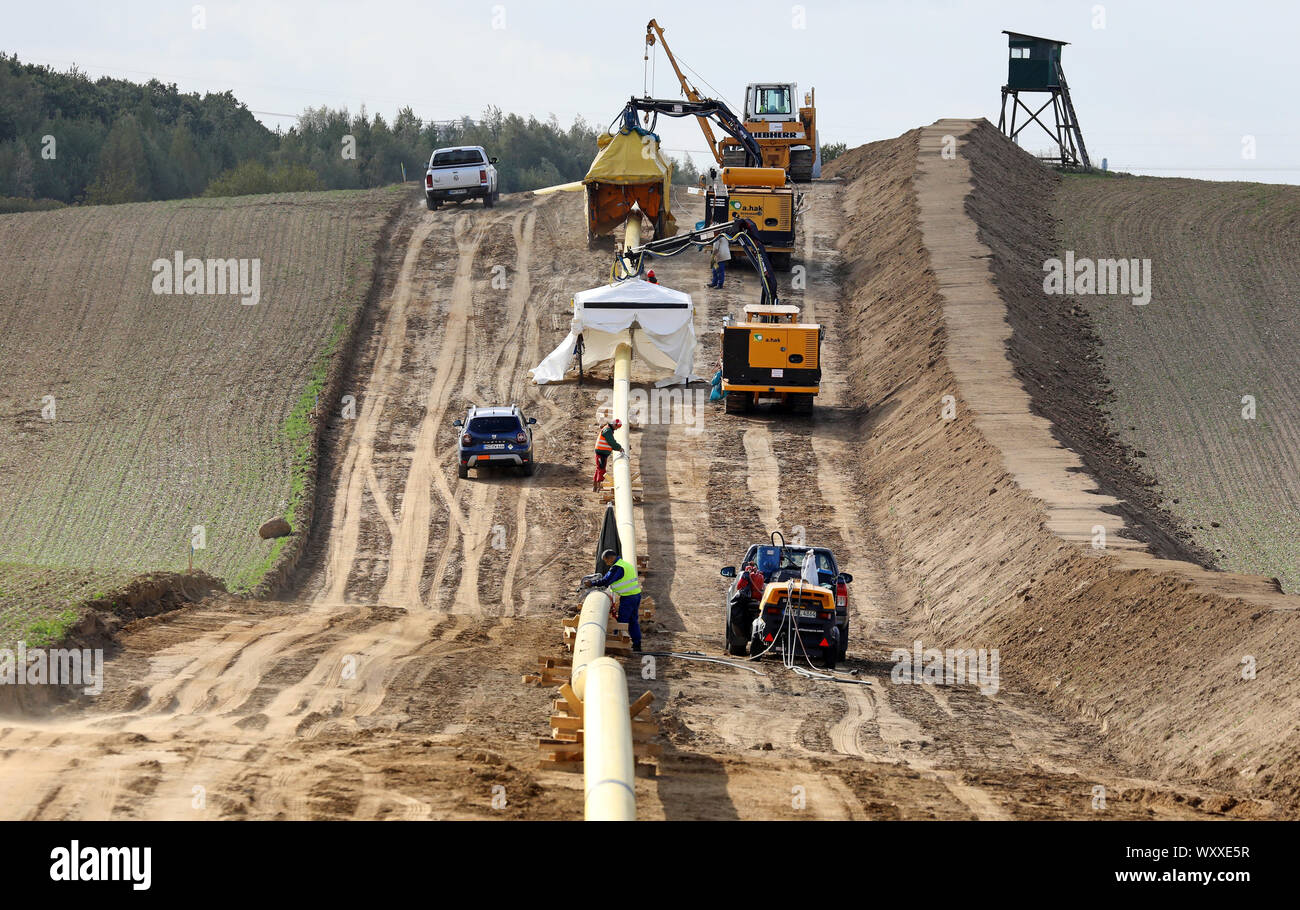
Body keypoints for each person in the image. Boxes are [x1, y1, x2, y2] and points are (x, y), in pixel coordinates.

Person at [590, 548, 642, 651]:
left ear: (611, 558)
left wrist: (591, 583)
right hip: (635, 596)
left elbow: (606, 580)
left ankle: (617, 644)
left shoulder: (617, 567)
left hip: (628, 598)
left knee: (622, 621)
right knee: (633, 621)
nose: (607, 563)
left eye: (606, 560)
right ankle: (637, 645)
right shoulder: (625, 564)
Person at [592, 419, 625, 491]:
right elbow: (611, 442)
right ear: (615, 425)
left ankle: (595, 486)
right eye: (617, 427)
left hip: (601, 453)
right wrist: (619, 448)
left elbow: (611, 441)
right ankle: (599, 486)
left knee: (599, 468)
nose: (616, 429)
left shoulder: (608, 429)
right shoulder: (608, 430)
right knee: (602, 469)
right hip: (601, 453)